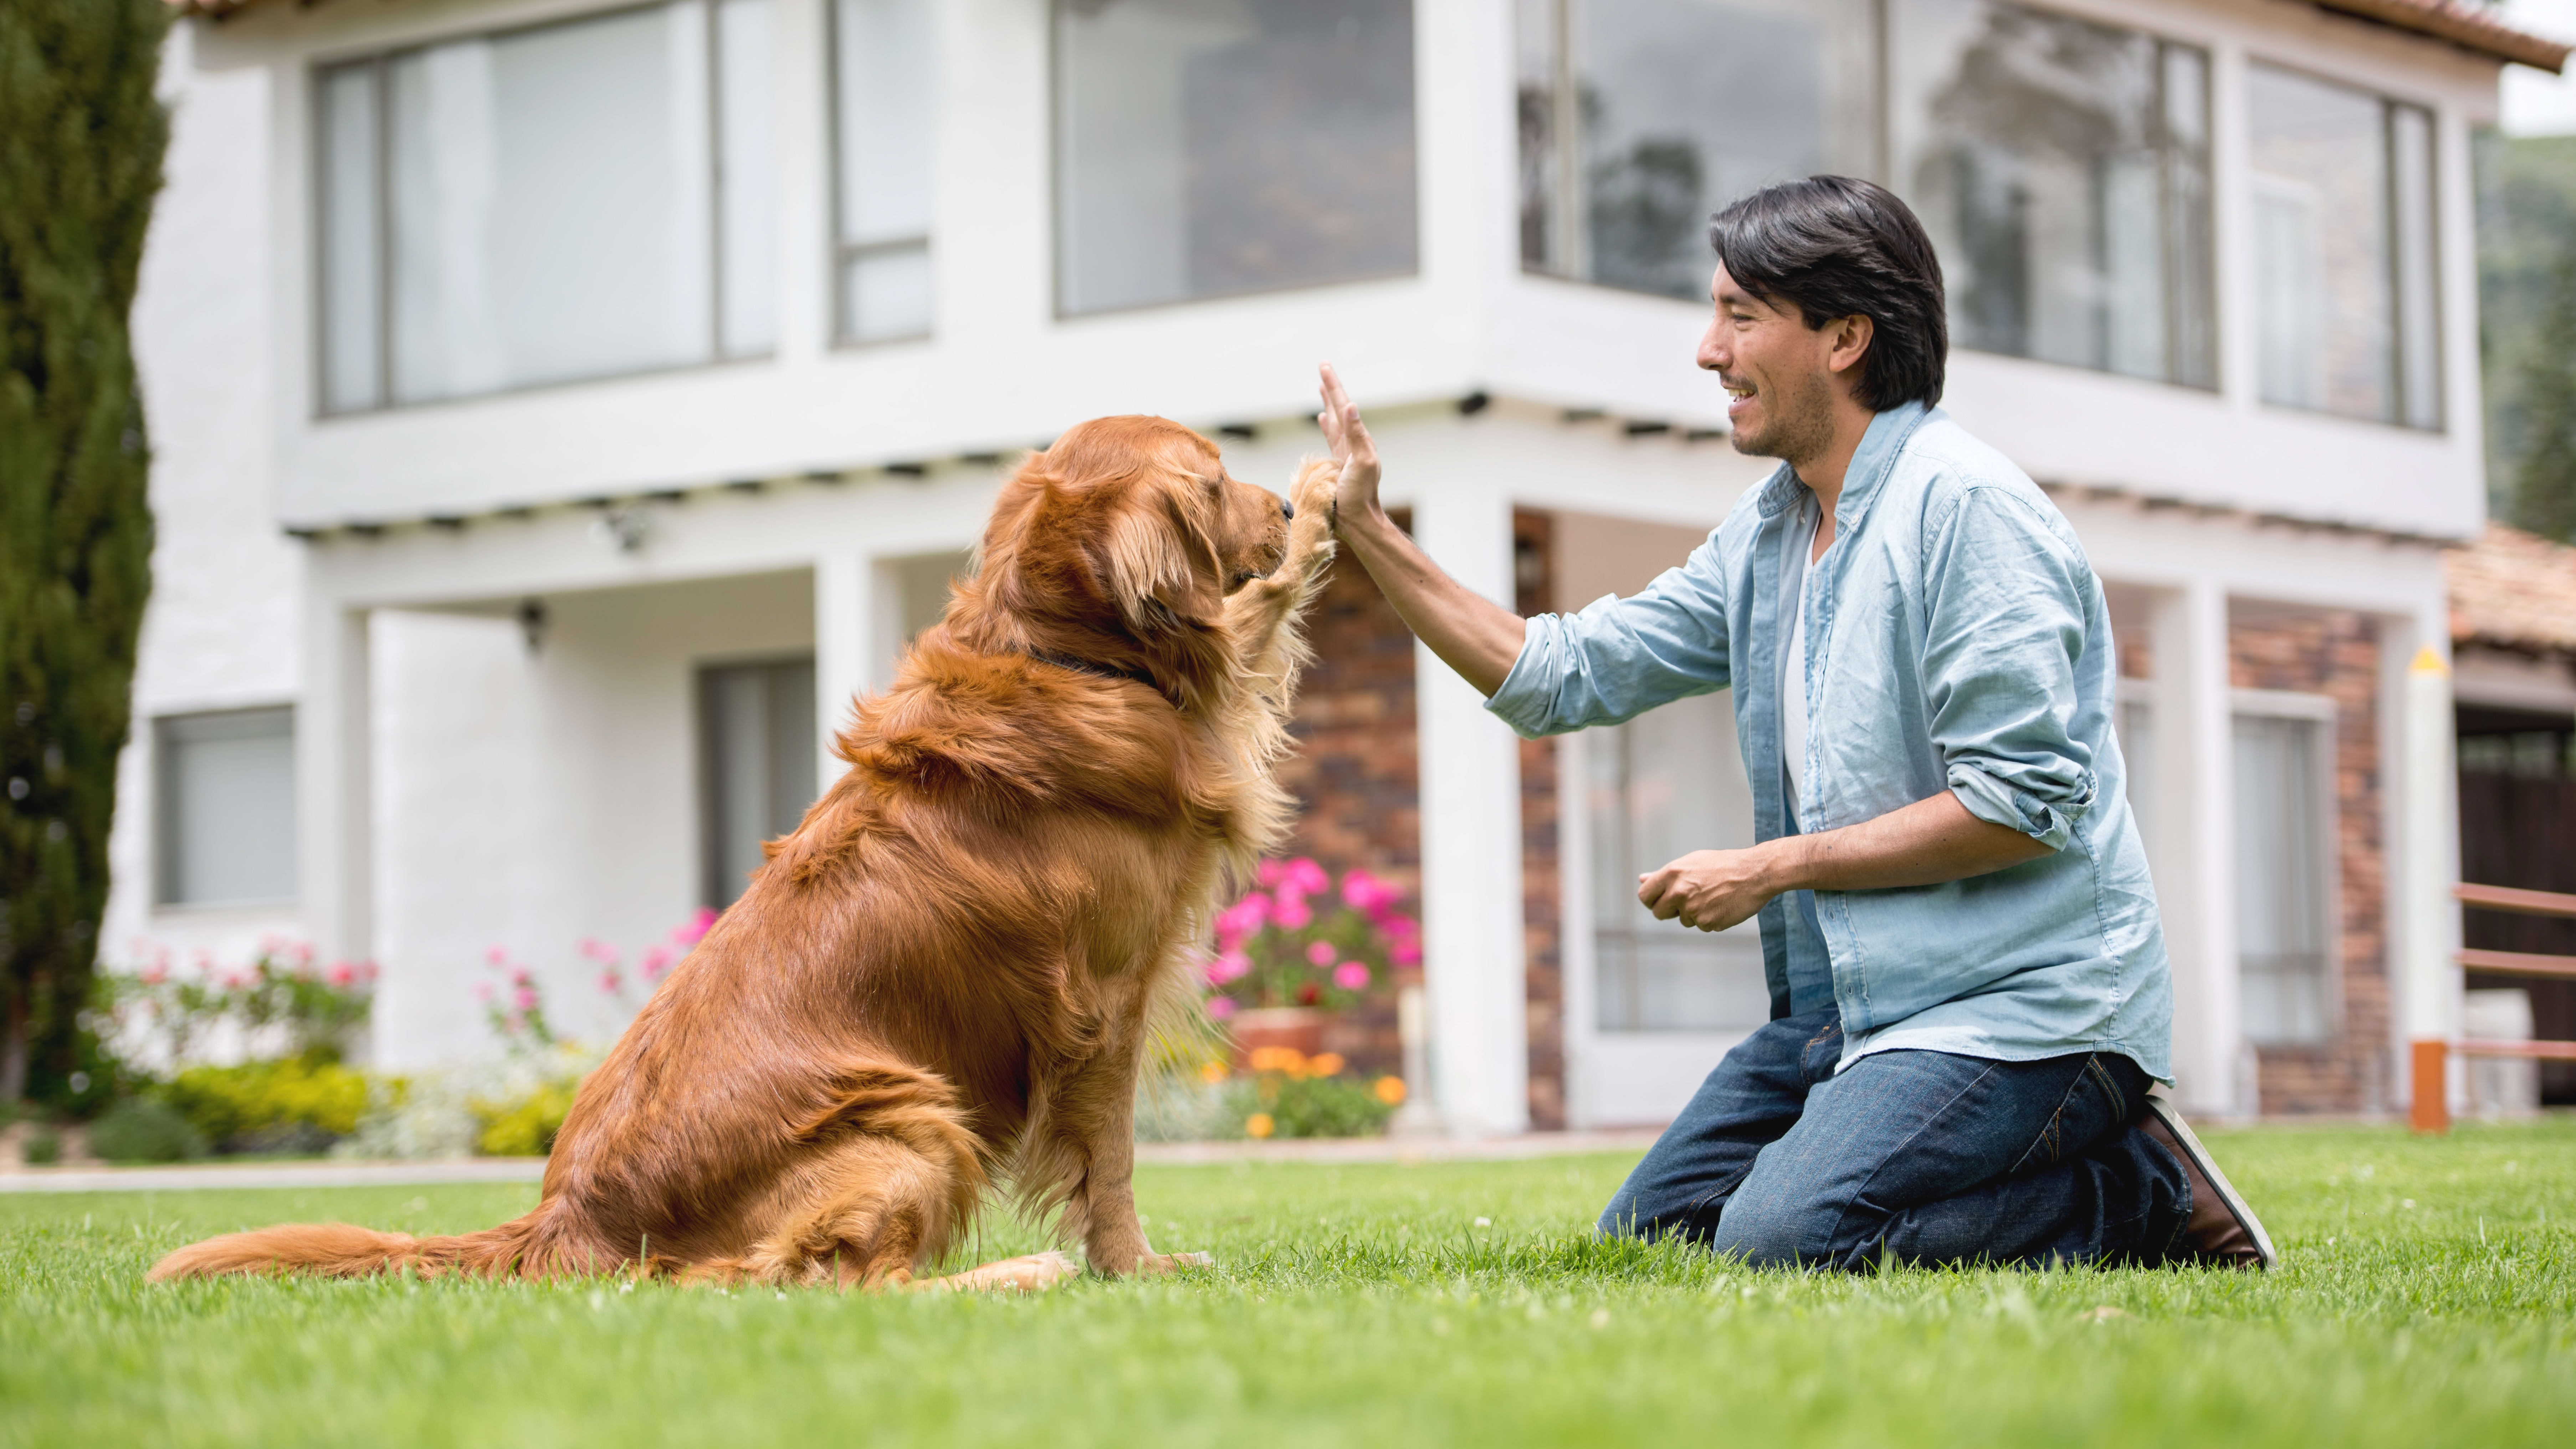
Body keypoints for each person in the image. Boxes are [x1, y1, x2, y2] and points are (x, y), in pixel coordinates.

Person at [1313, 176, 2273, 1271]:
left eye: (1739, 315)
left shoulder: (1967, 513)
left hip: (2023, 1013)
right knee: (1654, 1241)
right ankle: (2040, 1167)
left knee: (1786, 1240)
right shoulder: (1770, 535)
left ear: (1844, 337)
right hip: (1847, 1013)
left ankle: (2135, 1193)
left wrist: (1773, 867)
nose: (1706, 351)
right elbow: (1561, 674)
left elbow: (2021, 807)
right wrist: (1371, 535)